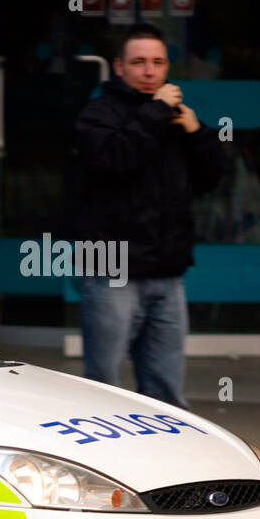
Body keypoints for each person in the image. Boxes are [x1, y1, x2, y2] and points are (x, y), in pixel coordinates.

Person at [72, 23, 223, 408]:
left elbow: (209, 180)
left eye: (157, 62)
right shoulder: (98, 113)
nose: (149, 71)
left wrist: (198, 133)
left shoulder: (173, 118)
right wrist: (156, 112)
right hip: (110, 269)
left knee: (166, 391)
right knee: (104, 386)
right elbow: (115, 158)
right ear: (119, 67)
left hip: (167, 273)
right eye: (139, 62)